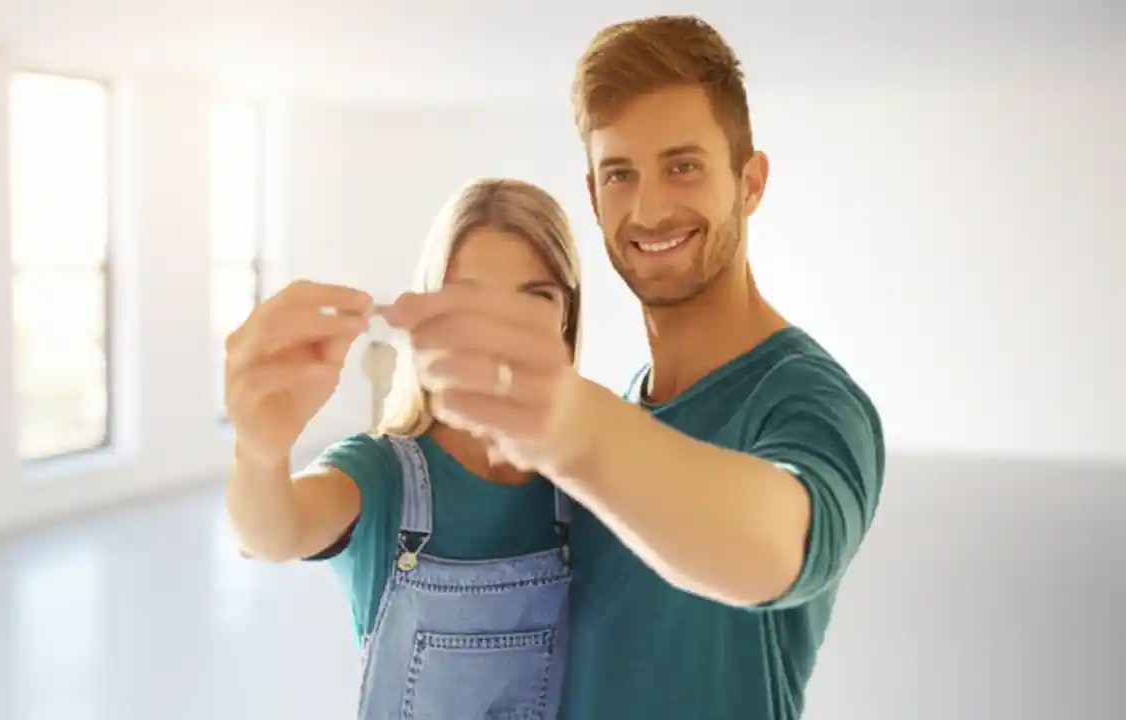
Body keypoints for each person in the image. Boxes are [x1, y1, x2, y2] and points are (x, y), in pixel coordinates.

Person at [378, 15, 885, 720]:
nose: (648, 210)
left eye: (683, 167)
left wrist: (571, 427)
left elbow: (774, 548)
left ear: (751, 182)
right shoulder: (620, 413)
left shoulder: (811, 402)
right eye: (621, 174)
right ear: (593, 196)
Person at [224, 178, 583, 719]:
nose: (500, 329)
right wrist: (259, 449)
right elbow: (270, 533)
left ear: (566, 314)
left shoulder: (591, 474)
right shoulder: (382, 471)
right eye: (469, 300)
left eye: (535, 297)